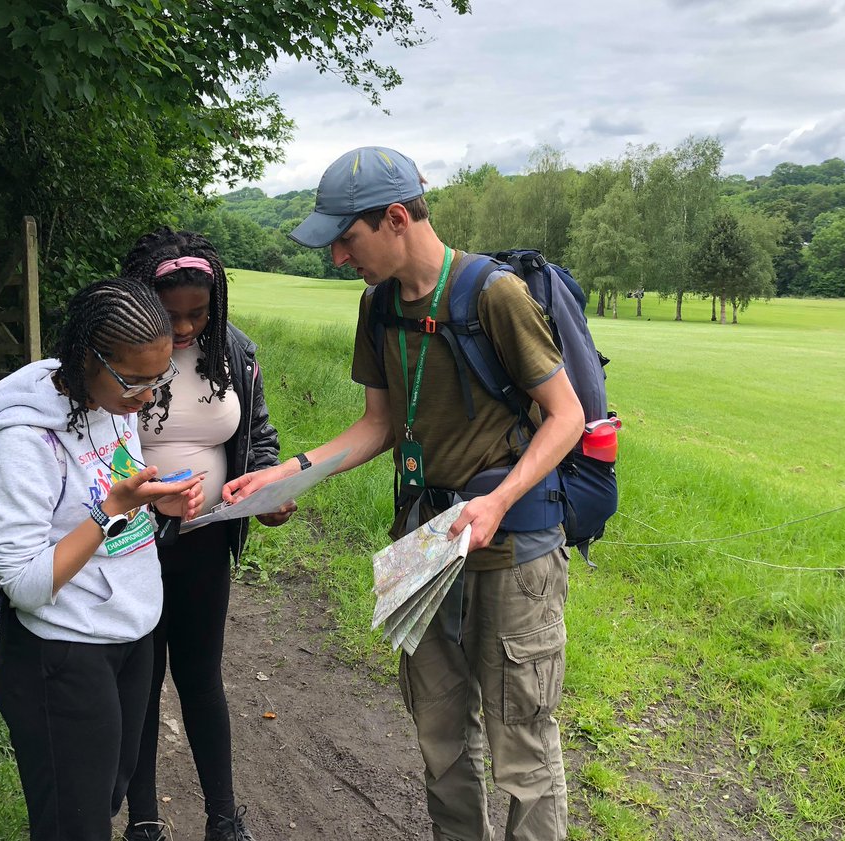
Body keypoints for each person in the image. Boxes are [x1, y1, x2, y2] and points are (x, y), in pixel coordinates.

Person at [224, 147, 587, 841]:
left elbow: (565, 416)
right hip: (423, 544)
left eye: (345, 239)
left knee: (523, 747)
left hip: (512, 548)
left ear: (396, 218)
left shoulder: (495, 295)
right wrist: (292, 468)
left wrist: (499, 500)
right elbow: (380, 424)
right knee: (440, 735)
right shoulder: (377, 306)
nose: (336, 258)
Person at [0, 277, 205, 841]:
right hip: (63, 653)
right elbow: (24, 584)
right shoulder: (20, 443)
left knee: (105, 797)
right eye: (134, 381)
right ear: (84, 357)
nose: (147, 397)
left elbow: (115, 497)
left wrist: (157, 503)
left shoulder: (113, 402)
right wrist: (109, 511)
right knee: (74, 825)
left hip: (129, 634)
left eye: (158, 378)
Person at [117, 228, 294, 841]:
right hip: (127, 543)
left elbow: (259, 436)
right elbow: (85, 446)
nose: (187, 327)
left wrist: (264, 493)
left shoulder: (233, 352)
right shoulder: (120, 353)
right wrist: (146, 495)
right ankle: (143, 821)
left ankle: (225, 817)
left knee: (201, 677)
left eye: (200, 312)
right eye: (172, 316)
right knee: (140, 677)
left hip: (207, 541)